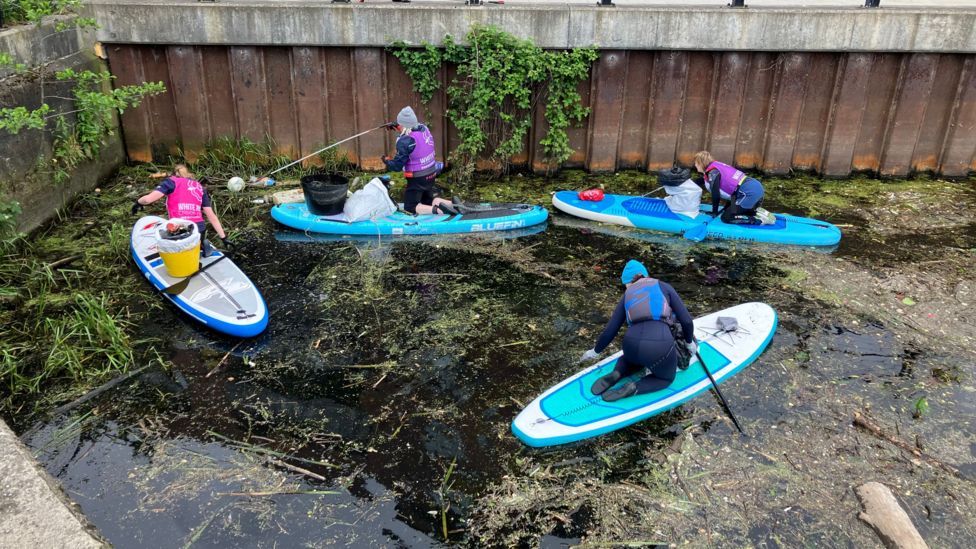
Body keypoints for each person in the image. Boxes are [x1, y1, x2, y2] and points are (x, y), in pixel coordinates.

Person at [579, 260, 697, 402]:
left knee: (629, 359)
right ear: (645, 275)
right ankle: (634, 388)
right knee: (665, 378)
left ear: (628, 282)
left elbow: (610, 330)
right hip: (659, 345)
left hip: (630, 344)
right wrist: (689, 343)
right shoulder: (664, 287)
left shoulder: (627, 294)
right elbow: (686, 321)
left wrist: (594, 352)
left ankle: (618, 373)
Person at [131, 163, 233, 256]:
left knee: (169, 236)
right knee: (193, 239)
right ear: (188, 173)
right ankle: (201, 243)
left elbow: (148, 199)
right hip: (199, 230)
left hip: (180, 230)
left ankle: (185, 251)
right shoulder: (200, 187)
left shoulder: (171, 181)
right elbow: (212, 217)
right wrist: (224, 238)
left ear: (174, 174)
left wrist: (138, 202)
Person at [382, 106, 458, 216]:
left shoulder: (405, 141)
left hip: (417, 178)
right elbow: (409, 128)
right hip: (431, 173)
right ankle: (454, 205)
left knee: (410, 207)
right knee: (426, 201)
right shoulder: (424, 128)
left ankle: (441, 211)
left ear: (403, 124)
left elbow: (397, 166)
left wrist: (386, 161)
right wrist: (396, 125)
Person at [693, 150, 766, 225]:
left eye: (695, 163)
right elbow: (702, 180)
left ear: (700, 163)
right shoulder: (715, 166)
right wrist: (686, 184)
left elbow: (716, 194)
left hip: (749, 193)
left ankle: (756, 220)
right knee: (730, 210)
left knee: (726, 217)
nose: (695, 165)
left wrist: (714, 212)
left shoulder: (712, 173)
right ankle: (752, 211)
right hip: (750, 188)